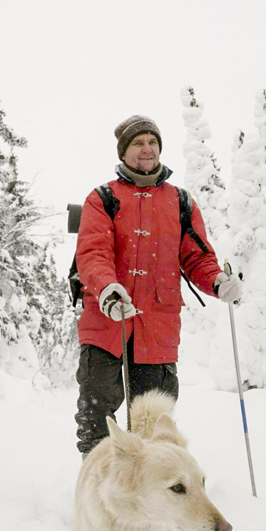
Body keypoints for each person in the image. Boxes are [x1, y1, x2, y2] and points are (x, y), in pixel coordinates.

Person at [73, 114, 242, 456]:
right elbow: (92, 253)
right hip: (107, 322)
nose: (146, 149)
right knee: (97, 420)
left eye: (152, 142)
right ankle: (99, 495)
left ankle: (150, 499)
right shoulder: (102, 198)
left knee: (154, 422)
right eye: (138, 143)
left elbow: (197, 257)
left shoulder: (180, 201)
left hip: (158, 327)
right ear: (124, 152)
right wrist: (107, 288)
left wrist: (218, 281)